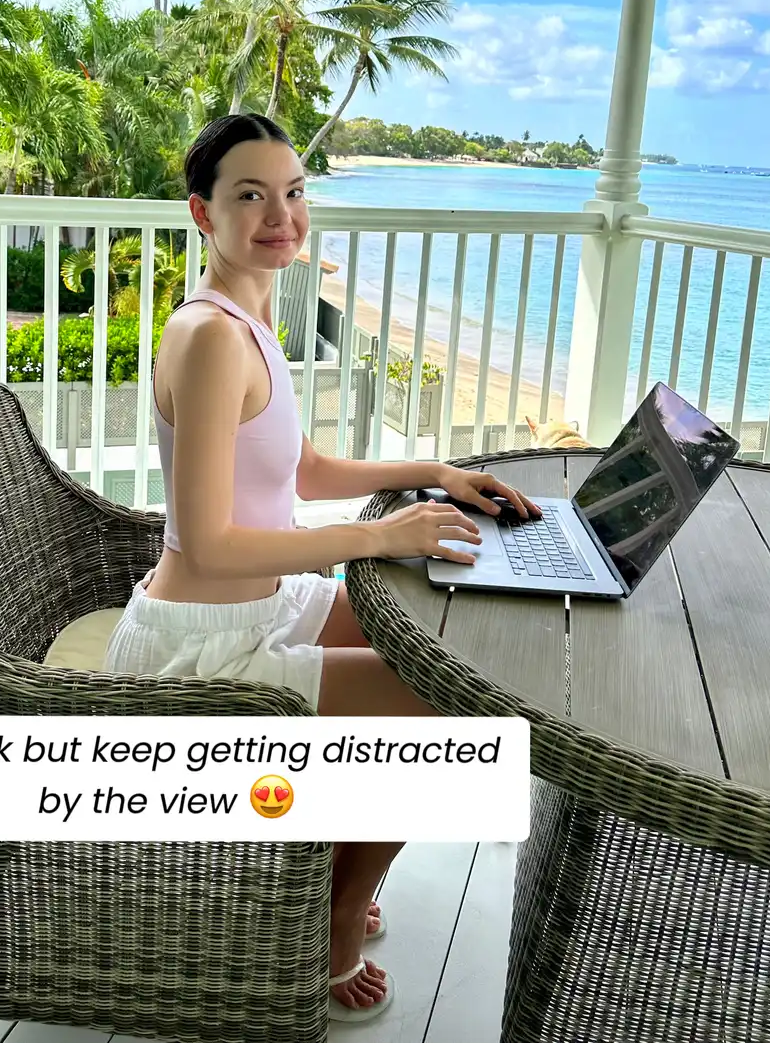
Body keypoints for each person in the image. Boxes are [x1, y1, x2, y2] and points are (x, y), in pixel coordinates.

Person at [104, 113, 539, 1024]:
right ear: (202, 213)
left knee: (419, 646)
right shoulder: (213, 336)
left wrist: (434, 472)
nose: (281, 215)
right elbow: (209, 540)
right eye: (250, 196)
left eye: (294, 192)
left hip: (257, 609)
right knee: (446, 706)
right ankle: (338, 910)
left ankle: (334, 871)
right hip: (199, 653)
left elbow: (300, 472)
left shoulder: (252, 316)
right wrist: (381, 537)